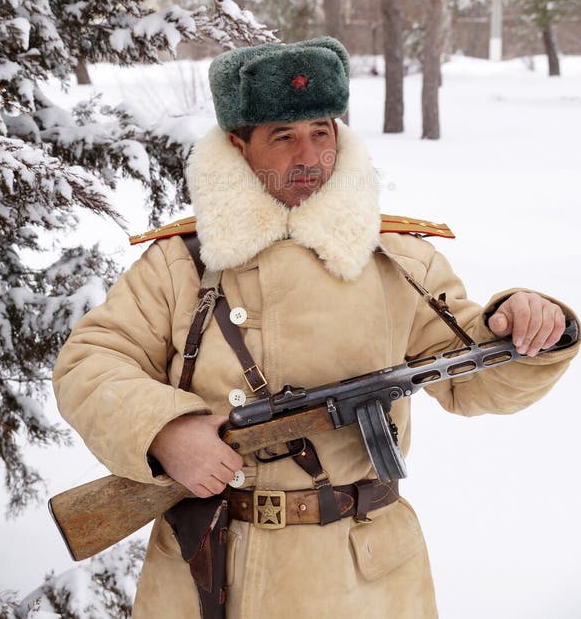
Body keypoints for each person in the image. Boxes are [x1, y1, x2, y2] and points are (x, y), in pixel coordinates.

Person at [53, 37, 578, 619]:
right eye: (283, 136)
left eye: (322, 132)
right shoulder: (181, 262)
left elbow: (470, 376)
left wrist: (530, 328)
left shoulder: (399, 258)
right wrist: (164, 432)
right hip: (212, 571)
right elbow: (91, 361)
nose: (309, 155)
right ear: (238, 145)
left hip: (362, 579)